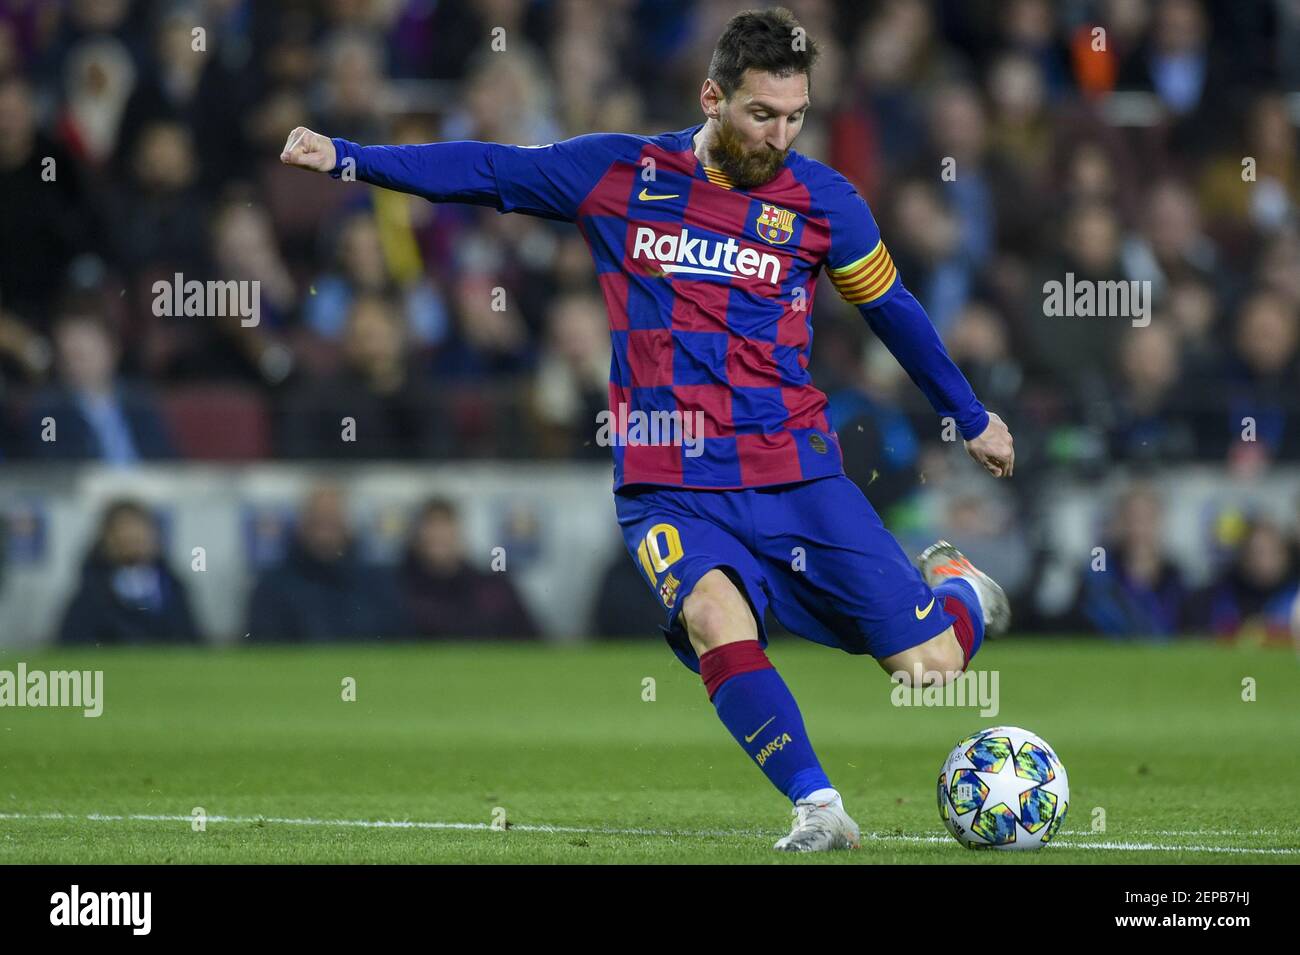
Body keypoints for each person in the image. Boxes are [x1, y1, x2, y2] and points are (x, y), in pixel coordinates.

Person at [280, 7, 1015, 852]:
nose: (779, 134)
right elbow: (488, 167)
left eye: (795, 116)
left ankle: (956, 588)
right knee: (712, 615)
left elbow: (893, 311)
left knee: (931, 675)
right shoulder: (624, 174)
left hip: (795, 472)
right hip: (667, 480)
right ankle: (817, 804)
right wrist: (350, 159)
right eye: (761, 114)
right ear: (713, 96)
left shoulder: (823, 202)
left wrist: (968, 414)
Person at [58, 498, 200, 645]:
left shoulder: (173, 588)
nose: (131, 540)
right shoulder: (91, 593)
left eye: (139, 535)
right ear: (107, 541)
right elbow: (69, 645)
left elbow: (193, 641)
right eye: (124, 534)